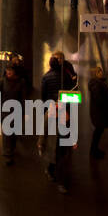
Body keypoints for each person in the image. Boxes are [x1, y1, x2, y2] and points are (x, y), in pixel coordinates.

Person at [40, 51, 78, 191]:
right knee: (63, 146)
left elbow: (43, 98)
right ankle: (61, 178)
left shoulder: (46, 77)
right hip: (65, 114)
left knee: (52, 143)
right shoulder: (66, 76)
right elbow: (74, 94)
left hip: (53, 114)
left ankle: (51, 168)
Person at [0, 63, 27, 166]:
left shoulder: (21, 82)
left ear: (15, 71)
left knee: (14, 132)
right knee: (7, 133)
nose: (8, 72)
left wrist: (24, 112)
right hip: (5, 110)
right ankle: (8, 154)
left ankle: (12, 148)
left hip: (17, 110)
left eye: (10, 70)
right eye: (7, 70)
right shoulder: (2, 81)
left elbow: (23, 97)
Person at [88, 64, 108, 158]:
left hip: (99, 112)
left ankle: (95, 149)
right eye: (99, 72)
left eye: (101, 71)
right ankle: (93, 151)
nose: (101, 73)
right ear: (95, 74)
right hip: (99, 112)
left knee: (99, 131)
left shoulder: (97, 83)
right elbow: (99, 98)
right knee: (98, 131)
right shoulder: (96, 84)